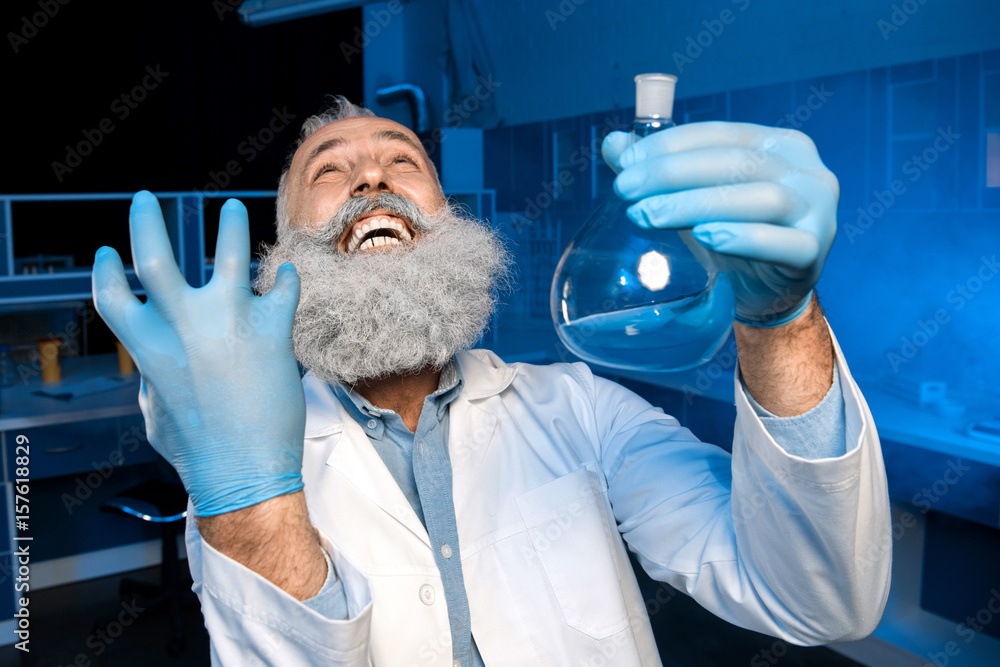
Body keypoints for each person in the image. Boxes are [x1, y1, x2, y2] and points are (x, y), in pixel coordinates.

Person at [91, 96, 891, 666]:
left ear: (450, 211)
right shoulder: (249, 464)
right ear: (285, 251)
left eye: (402, 159)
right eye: (330, 173)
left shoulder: (580, 409)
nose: (372, 179)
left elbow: (817, 599)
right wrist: (248, 494)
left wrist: (782, 325)